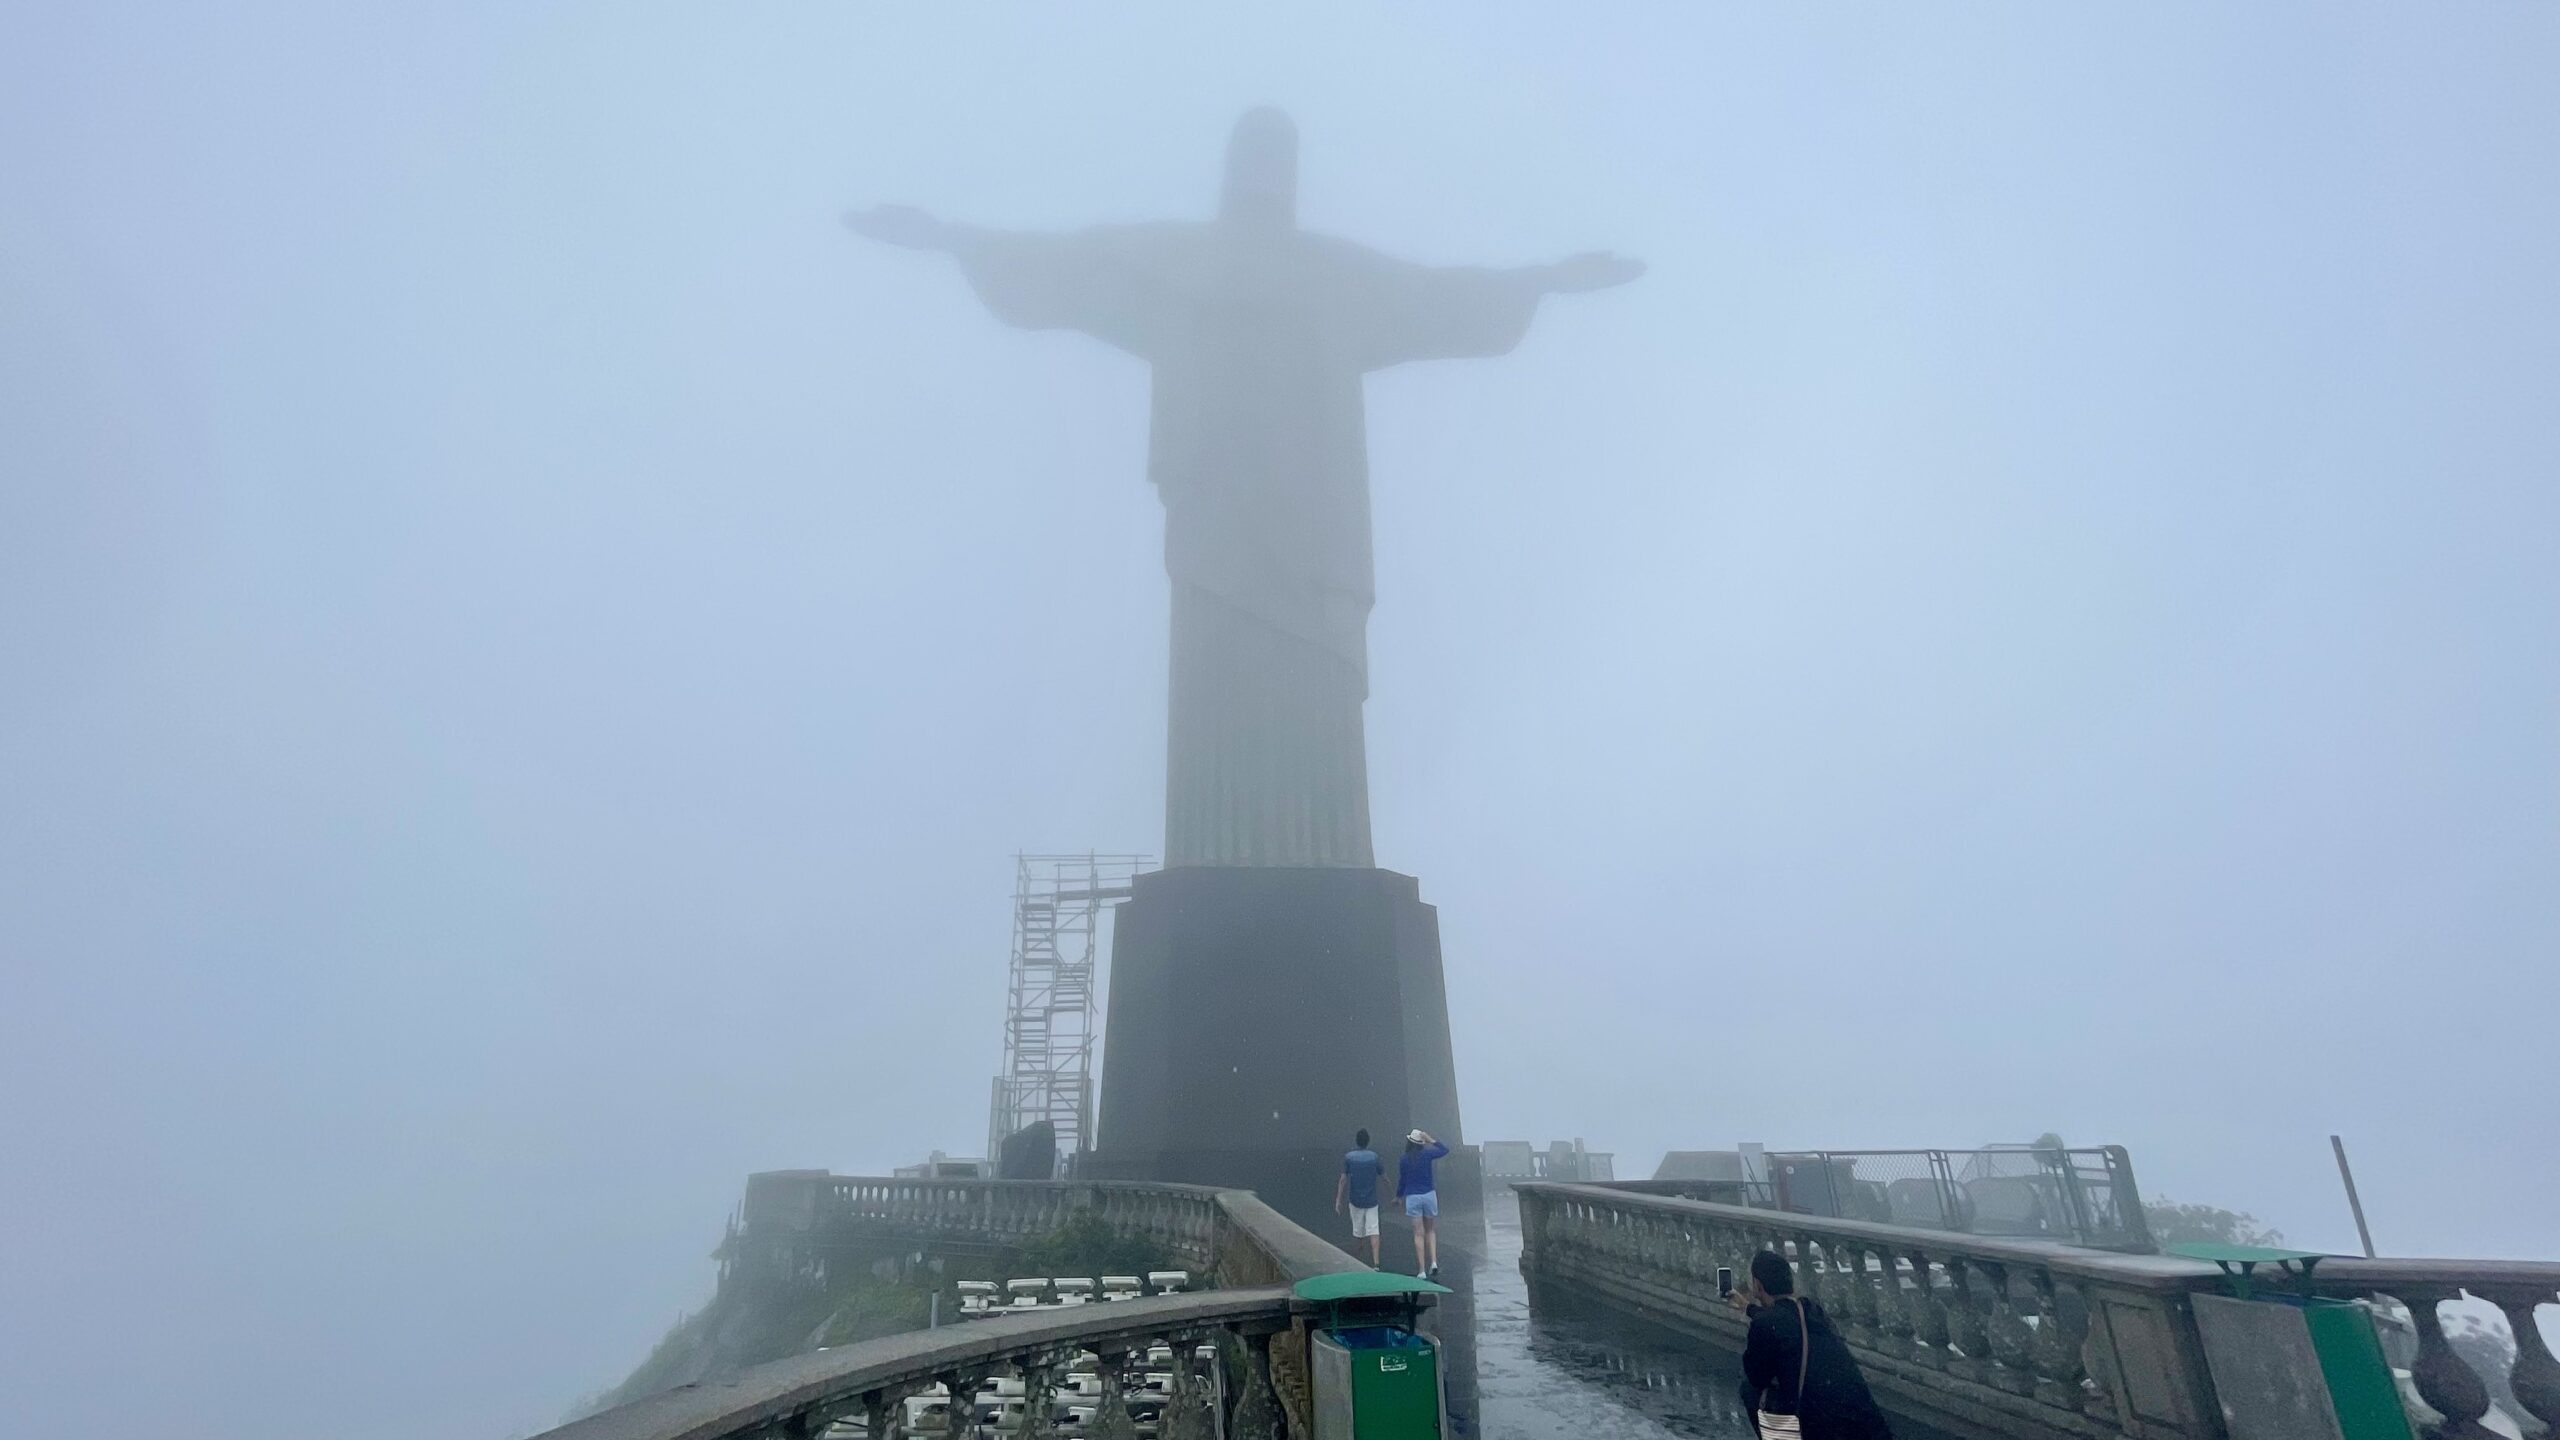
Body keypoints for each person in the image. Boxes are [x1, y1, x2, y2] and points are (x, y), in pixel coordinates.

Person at [1735, 1249, 1892, 1440]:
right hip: (1867, 1426)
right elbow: (1786, 1319)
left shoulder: (1765, 1325)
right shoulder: (1812, 1311)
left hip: (1820, 1427)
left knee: (1750, 1390)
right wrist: (1749, 1309)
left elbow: (1756, 1377)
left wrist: (1754, 1325)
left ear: (1758, 1286)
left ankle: (1782, 1437)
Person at [1394, 1128, 1450, 1278]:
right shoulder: (1427, 1154)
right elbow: (1445, 1150)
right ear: (1421, 1143)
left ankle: (1422, 1271)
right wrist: (1430, 1139)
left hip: (1413, 1197)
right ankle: (1434, 1262)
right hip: (1429, 1195)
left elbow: (1402, 1181)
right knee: (1430, 1230)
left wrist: (1398, 1196)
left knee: (1418, 1234)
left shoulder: (1404, 1159)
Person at [1334, 1128, 1384, 1265]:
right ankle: (1376, 1263)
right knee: (1374, 1231)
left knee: (1358, 1232)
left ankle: (1357, 1262)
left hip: (1355, 1200)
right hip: (1371, 1200)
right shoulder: (1374, 1157)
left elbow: (1343, 1180)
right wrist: (1392, 1192)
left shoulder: (1349, 1157)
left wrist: (1338, 1199)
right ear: (1368, 1141)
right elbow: (1383, 1177)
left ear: (1357, 1141)